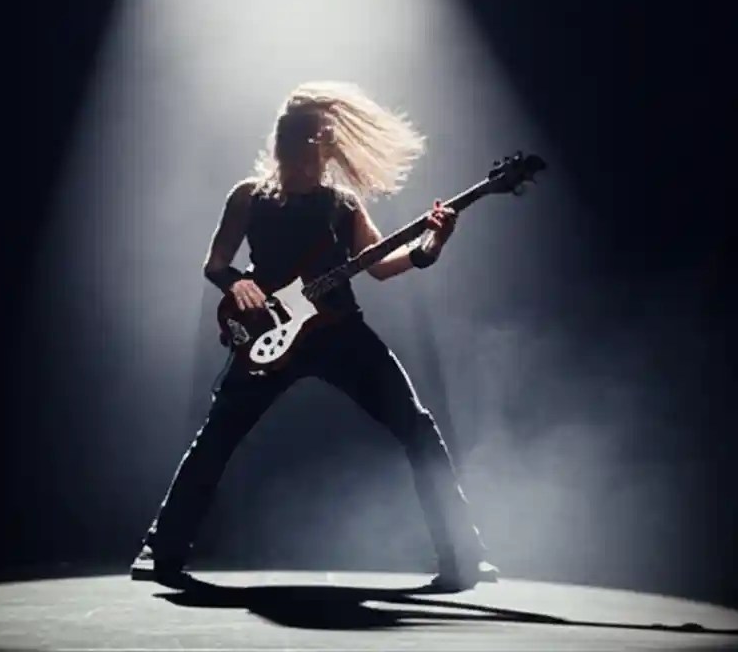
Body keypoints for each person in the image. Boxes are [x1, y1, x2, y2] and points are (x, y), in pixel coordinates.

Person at [130, 81, 498, 591]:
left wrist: (431, 245)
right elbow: (216, 263)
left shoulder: (340, 204)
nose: (310, 167)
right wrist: (238, 283)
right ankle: (161, 548)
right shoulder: (248, 197)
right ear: (280, 147)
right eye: (300, 154)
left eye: (318, 156)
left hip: (340, 332)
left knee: (416, 426)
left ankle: (463, 554)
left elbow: (381, 266)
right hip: (269, 334)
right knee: (217, 437)